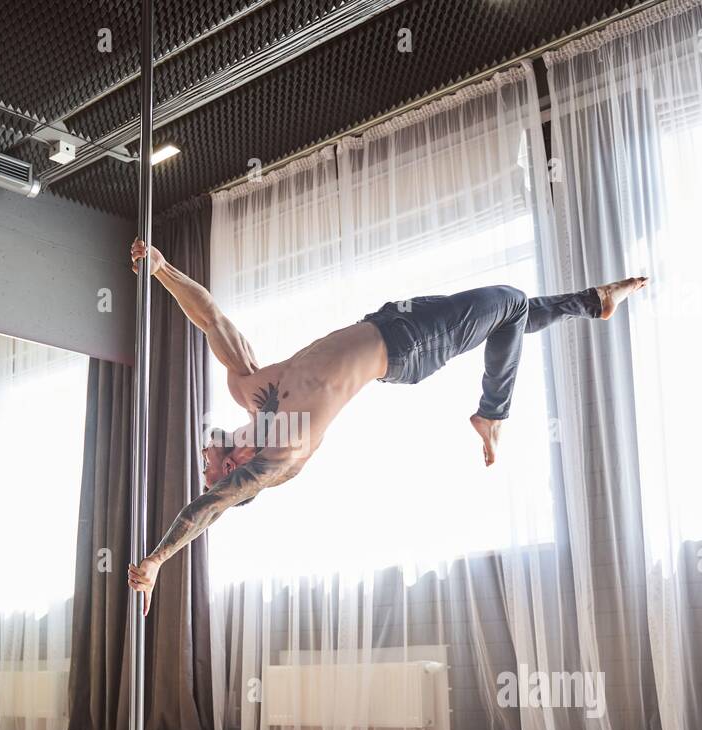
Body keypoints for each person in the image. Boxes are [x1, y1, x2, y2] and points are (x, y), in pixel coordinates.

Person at [125, 239, 647, 611]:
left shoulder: (251, 390)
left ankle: (594, 304)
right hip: (410, 348)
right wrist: (157, 559)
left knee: (510, 314)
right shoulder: (285, 450)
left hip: (389, 319)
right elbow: (211, 506)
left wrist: (162, 269)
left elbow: (212, 318)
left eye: (202, 467)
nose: (203, 462)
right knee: (508, 301)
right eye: (208, 469)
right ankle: (492, 413)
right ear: (235, 468)